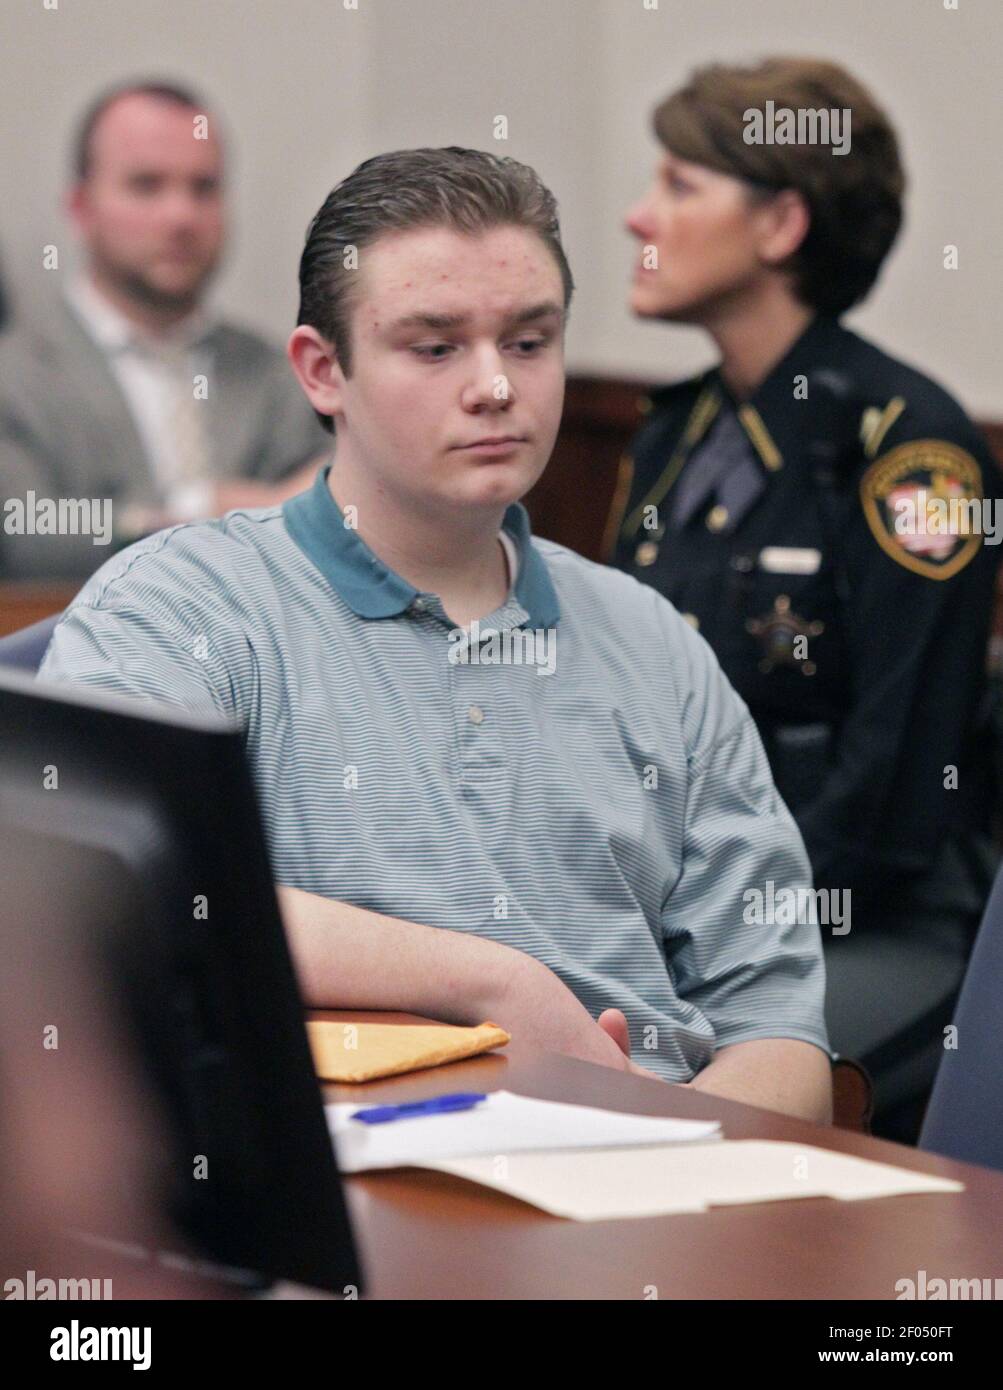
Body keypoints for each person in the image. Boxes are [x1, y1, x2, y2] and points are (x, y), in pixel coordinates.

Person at [38, 147, 831, 1123]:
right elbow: (121, 896)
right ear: (322, 371)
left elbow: (781, 1030)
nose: (495, 386)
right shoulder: (182, 605)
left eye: (529, 342)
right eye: (435, 347)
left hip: (661, 1160)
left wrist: (667, 1151)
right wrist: (496, 982)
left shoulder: (654, 642)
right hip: (359, 1164)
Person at [608, 57, 1002, 1142]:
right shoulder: (673, 431)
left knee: (681, 1107)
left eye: (680, 184)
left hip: (867, 920)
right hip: (685, 908)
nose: (638, 216)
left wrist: (705, 926)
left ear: (780, 224)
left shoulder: (911, 451)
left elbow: (894, 793)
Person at [0, 80, 329, 581]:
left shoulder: (280, 372)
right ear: (80, 207)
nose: (181, 216)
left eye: (203, 188)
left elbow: (340, 510)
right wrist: (196, 511)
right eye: (146, 185)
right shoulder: (16, 374)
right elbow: (24, 528)